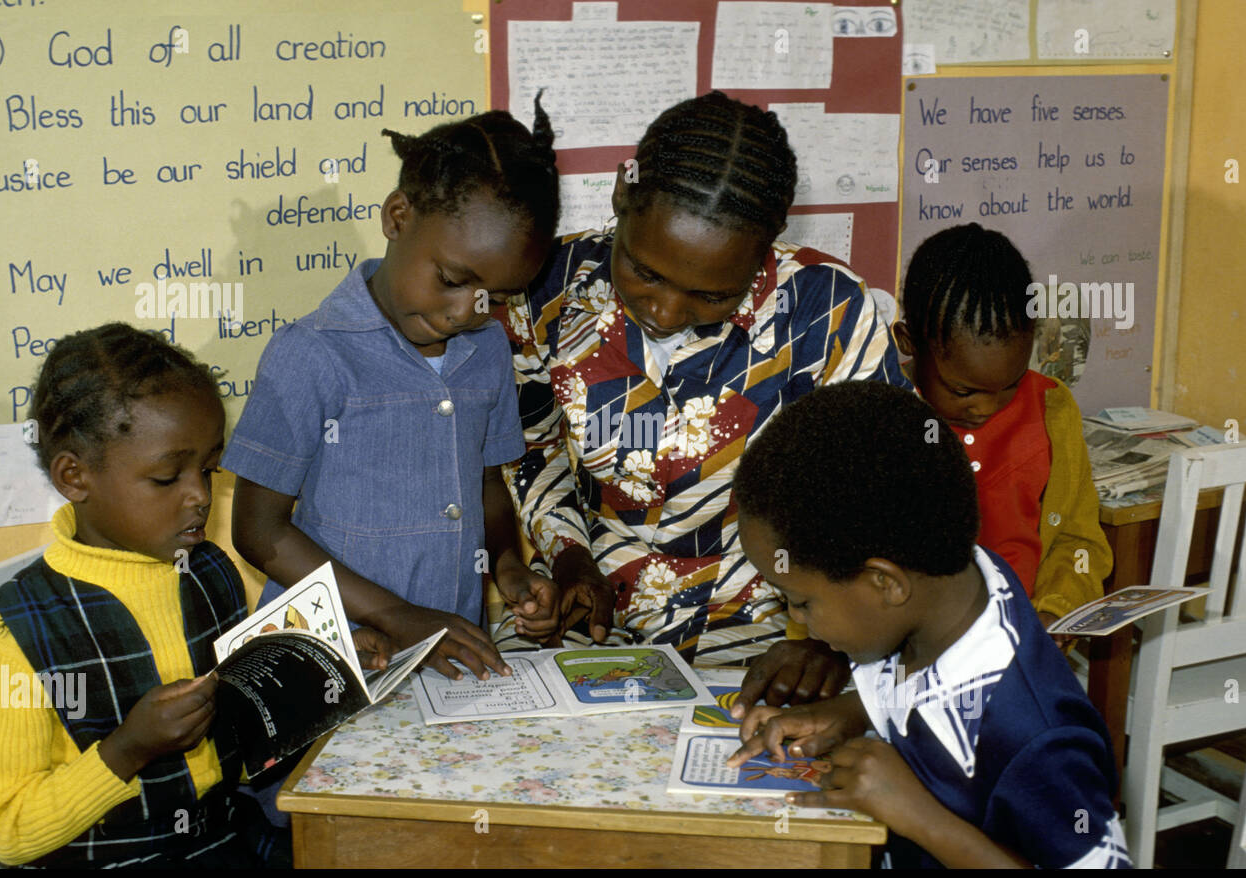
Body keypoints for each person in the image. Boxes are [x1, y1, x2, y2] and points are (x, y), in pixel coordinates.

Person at [502, 91, 906, 699]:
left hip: (769, 626)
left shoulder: (829, 316)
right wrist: (568, 556)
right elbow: (533, 449)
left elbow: (882, 493)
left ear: (766, 247)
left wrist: (826, 640)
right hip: (588, 609)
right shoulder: (547, 293)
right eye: (643, 271)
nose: (664, 312)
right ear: (621, 194)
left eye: (711, 296)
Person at [224, 98, 565, 683]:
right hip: (326, 663)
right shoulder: (311, 353)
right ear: (398, 216)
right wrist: (398, 616)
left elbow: (485, 483)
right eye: (453, 280)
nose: (466, 311)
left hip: (448, 660)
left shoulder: (486, 352)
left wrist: (507, 565)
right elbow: (259, 531)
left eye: (497, 298)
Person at [728, 380, 1131, 868]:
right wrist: (857, 711)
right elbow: (927, 690)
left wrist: (920, 818)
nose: (796, 620)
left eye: (800, 601)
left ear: (885, 583)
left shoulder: (1035, 738)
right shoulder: (958, 588)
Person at [0, 325, 286, 867]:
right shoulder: (13, 634)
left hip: (225, 839)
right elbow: (9, 834)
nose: (200, 495)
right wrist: (127, 750)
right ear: (74, 476)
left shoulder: (210, 570)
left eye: (210, 468)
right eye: (168, 477)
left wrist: (325, 674)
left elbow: (241, 744)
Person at [892, 224, 1112, 640]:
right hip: (915, 649)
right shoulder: (884, 418)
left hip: (1021, 636)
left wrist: (1055, 613)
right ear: (908, 341)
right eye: (963, 390)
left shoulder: (1052, 409)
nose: (987, 408)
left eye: (1009, 385)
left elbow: (1079, 540)